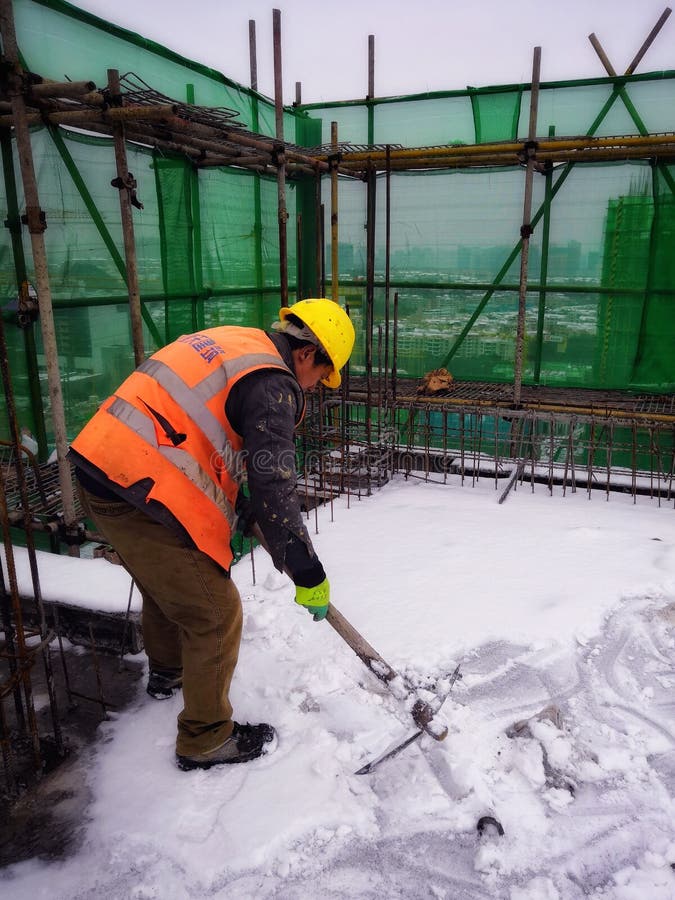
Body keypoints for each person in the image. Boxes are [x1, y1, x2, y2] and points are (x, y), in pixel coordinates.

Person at [68, 298, 355, 771]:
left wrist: (240, 507)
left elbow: (200, 433)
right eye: (323, 376)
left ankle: (167, 674)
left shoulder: (240, 345)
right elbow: (275, 485)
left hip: (106, 466)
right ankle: (205, 738)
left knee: (172, 588)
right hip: (138, 486)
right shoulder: (273, 385)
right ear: (308, 355)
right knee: (215, 614)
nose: (318, 386)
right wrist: (306, 569)